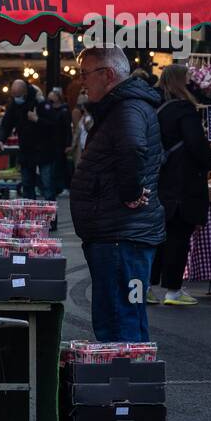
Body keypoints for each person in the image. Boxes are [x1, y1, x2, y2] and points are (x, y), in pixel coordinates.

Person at [69, 47, 164, 342]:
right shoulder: (120, 107)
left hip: (122, 234)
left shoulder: (128, 108)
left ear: (108, 75)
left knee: (121, 320)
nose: (82, 82)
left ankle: (126, 382)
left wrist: (131, 193)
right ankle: (125, 379)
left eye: (86, 74)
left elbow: (133, 149)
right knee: (119, 317)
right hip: (116, 232)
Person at [148, 63, 211, 306]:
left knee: (160, 238)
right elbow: (196, 145)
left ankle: (146, 286)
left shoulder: (157, 109)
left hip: (162, 183)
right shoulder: (184, 110)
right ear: (180, 82)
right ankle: (173, 290)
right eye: (188, 79)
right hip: (183, 185)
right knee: (179, 238)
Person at [0, 79, 57, 199]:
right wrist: (0, 140)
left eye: (18, 96)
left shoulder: (40, 102)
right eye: (14, 96)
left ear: (25, 93)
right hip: (27, 149)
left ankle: (50, 216)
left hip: (44, 149)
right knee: (28, 186)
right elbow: (7, 123)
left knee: (47, 186)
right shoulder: (14, 105)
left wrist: (37, 120)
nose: (16, 99)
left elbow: (53, 125)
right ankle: (30, 214)